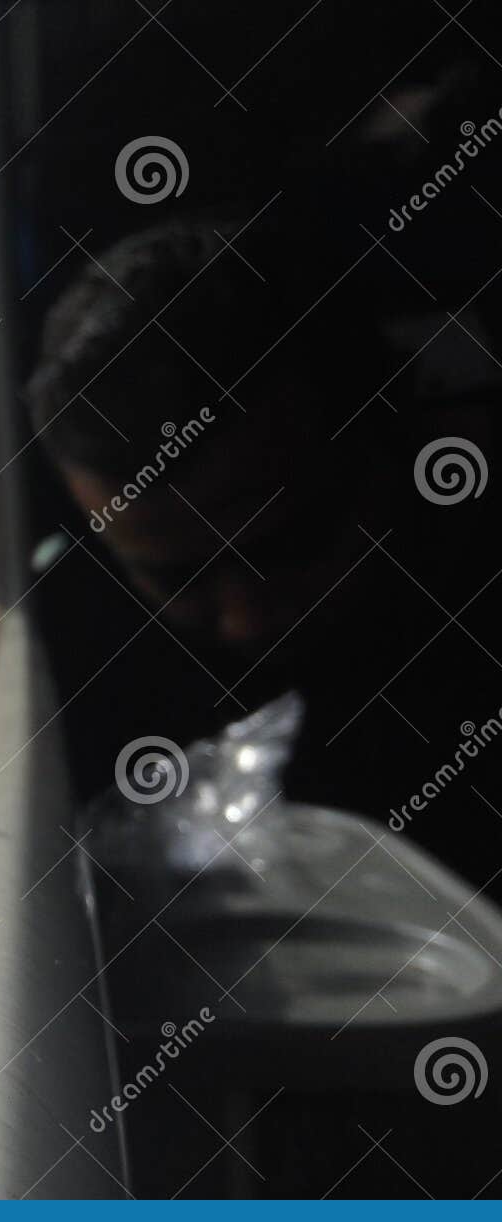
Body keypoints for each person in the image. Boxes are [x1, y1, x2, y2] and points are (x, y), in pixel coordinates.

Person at [26, 219, 502, 888]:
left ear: (396, 437)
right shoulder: (60, 649)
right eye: (175, 578)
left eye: (289, 541)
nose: (246, 619)